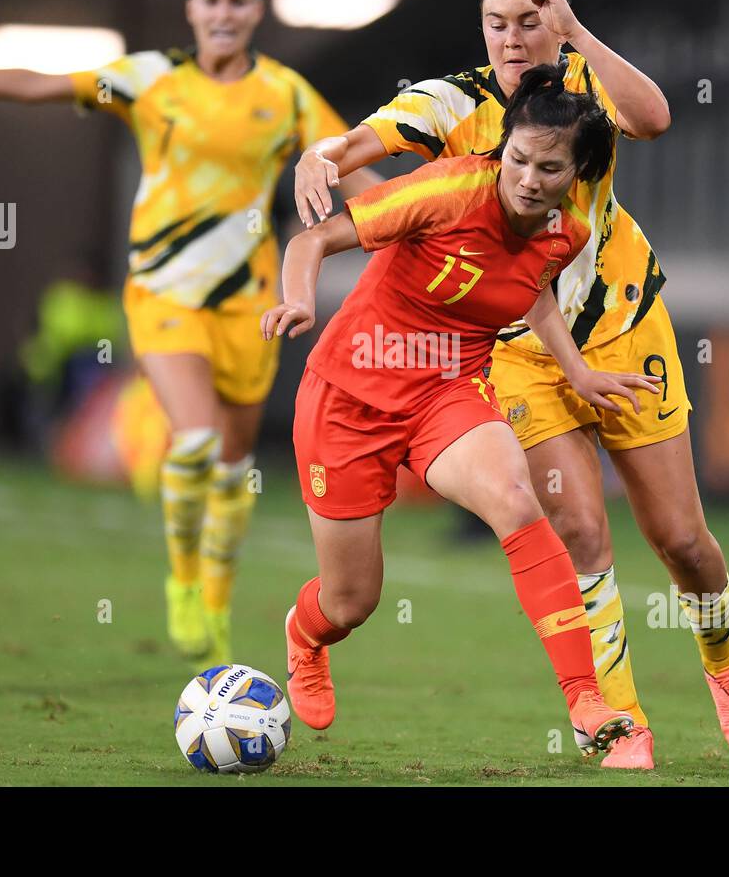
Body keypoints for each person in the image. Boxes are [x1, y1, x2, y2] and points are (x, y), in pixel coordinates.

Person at [291, 0, 729, 766]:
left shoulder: (587, 86)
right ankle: (615, 718)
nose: (512, 38)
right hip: (510, 346)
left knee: (683, 541)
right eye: (496, 22)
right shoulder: (457, 101)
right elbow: (366, 139)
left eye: (530, 18)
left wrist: (576, 29)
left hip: (621, 327)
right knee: (578, 528)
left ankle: (723, 660)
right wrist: (322, 153)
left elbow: (653, 118)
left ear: (558, 21)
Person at [0, 0, 381, 665]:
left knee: (231, 465)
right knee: (193, 443)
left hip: (250, 301)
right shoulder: (148, 79)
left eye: (237, 1)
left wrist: (419, 219)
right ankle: (182, 583)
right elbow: (43, 84)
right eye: (212, 1)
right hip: (162, 292)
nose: (224, 13)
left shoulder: (287, 94)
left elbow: (350, 164)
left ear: (255, 11)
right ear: (191, 9)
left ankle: (216, 592)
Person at [262, 65, 664, 760]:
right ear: (501, 146)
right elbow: (313, 240)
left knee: (517, 499)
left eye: (549, 166)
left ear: (578, 174)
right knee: (351, 601)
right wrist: (299, 297)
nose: (528, 178)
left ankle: (584, 698)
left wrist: (578, 370)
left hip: (448, 390)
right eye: (518, 158)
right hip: (349, 396)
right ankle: (305, 637)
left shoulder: (563, 233)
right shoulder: (448, 189)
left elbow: (530, 290)